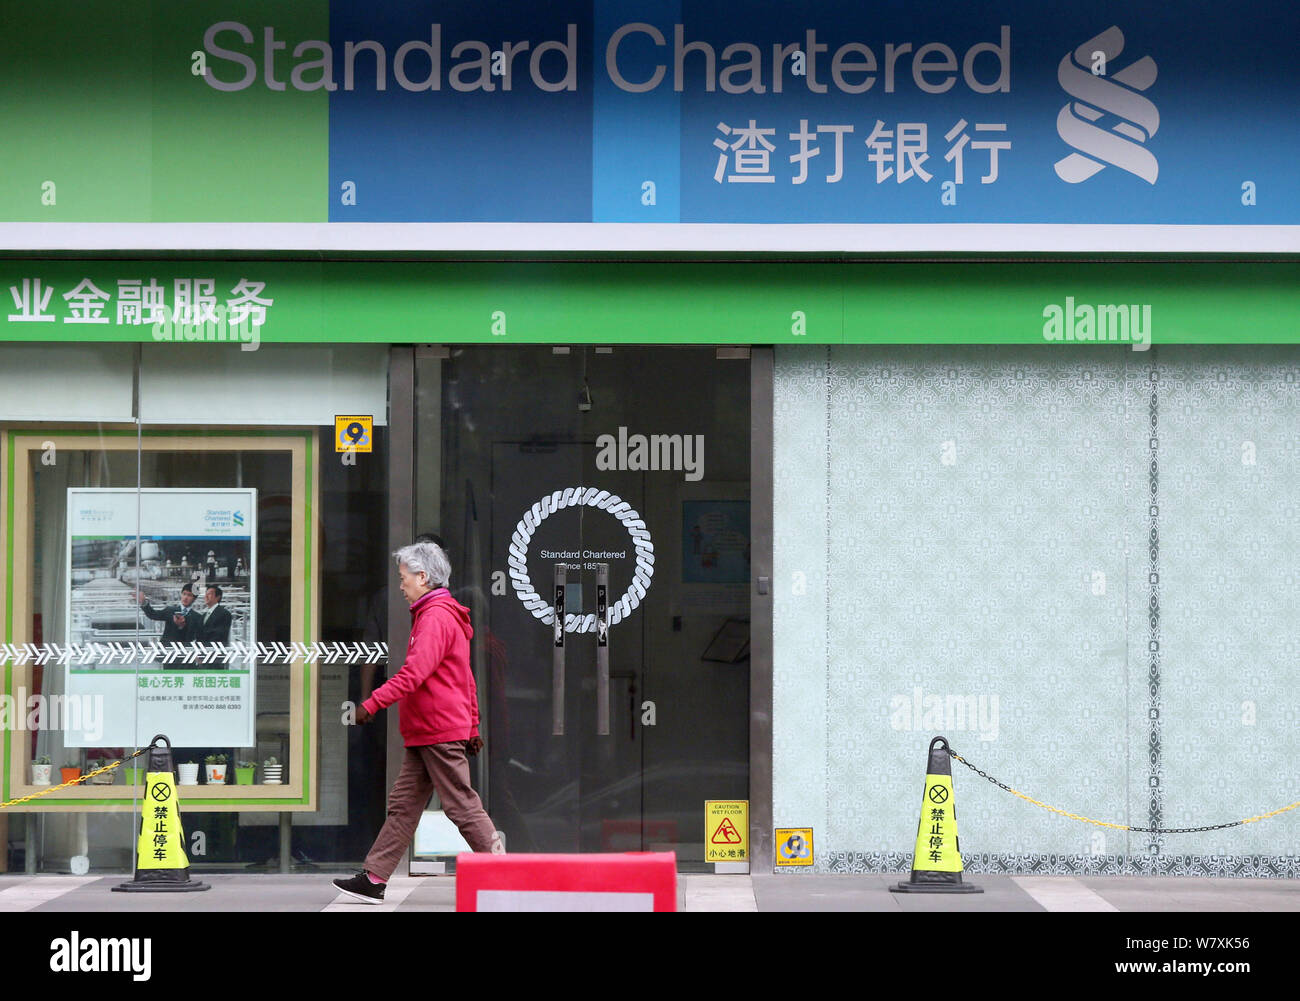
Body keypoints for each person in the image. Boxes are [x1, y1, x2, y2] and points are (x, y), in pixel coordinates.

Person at [332, 540, 501, 905]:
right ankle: (373, 879)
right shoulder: (435, 614)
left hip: (437, 730)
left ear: (423, 576)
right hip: (429, 730)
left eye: (404, 576)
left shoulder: (436, 617)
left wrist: (371, 704)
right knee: (404, 806)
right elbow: (464, 677)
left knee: (461, 804)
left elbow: (413, 674)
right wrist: (471, 726)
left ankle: (505, 873)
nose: (401, 584)